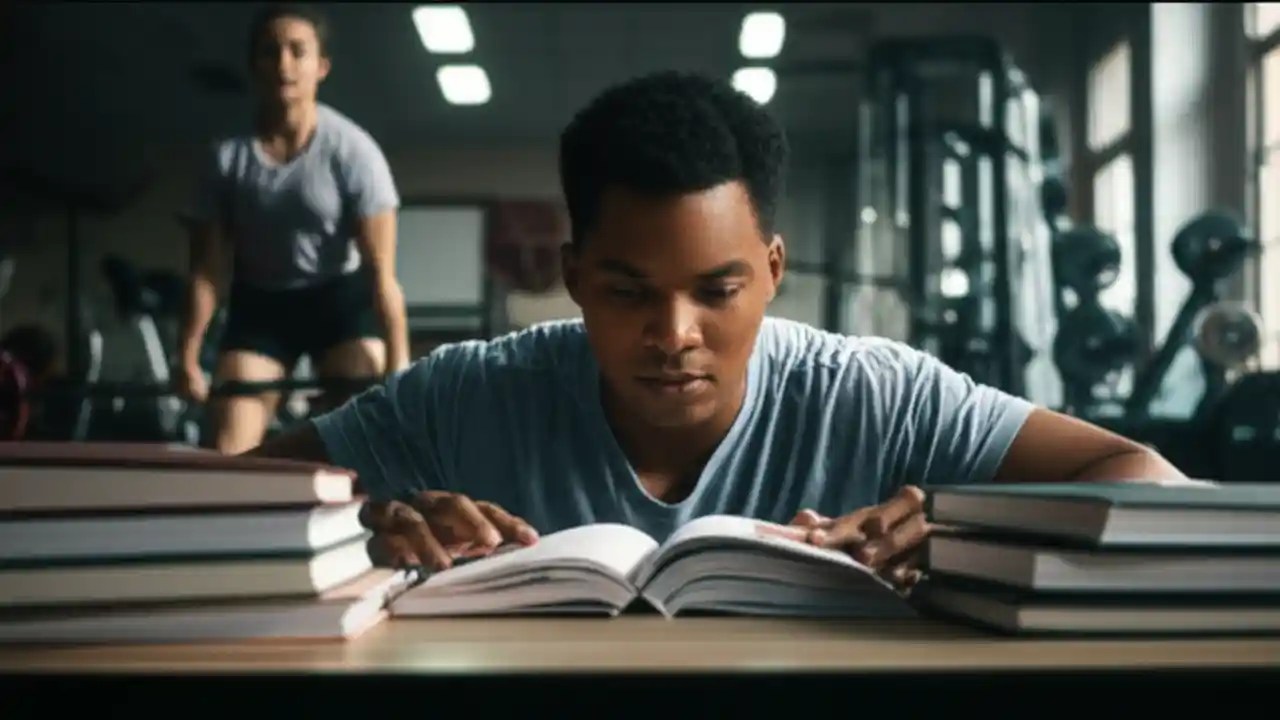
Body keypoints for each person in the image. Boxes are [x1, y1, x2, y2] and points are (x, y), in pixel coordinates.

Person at [249, 70, 1186, 589]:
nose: (674, 334)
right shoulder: (464, 394)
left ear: (772, 271)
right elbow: (227, 497)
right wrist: (358, 522)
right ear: (573, 276)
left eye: (717, 290)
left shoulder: (874, 393)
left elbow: (1148, 478)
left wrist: (969, 524)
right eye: (627, 292)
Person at [176, 3, 409, 454]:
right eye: (270, 51)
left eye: (297, 51)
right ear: (254, 66)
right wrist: (185, 356)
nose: (284, 63)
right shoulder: (226, 160)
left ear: (320, 66)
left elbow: (381, 276)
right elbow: (206, 271)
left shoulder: (354, 153)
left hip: (337, 301)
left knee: (366, 432)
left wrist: (398, 366)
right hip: (261, 307)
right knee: (229, 448)